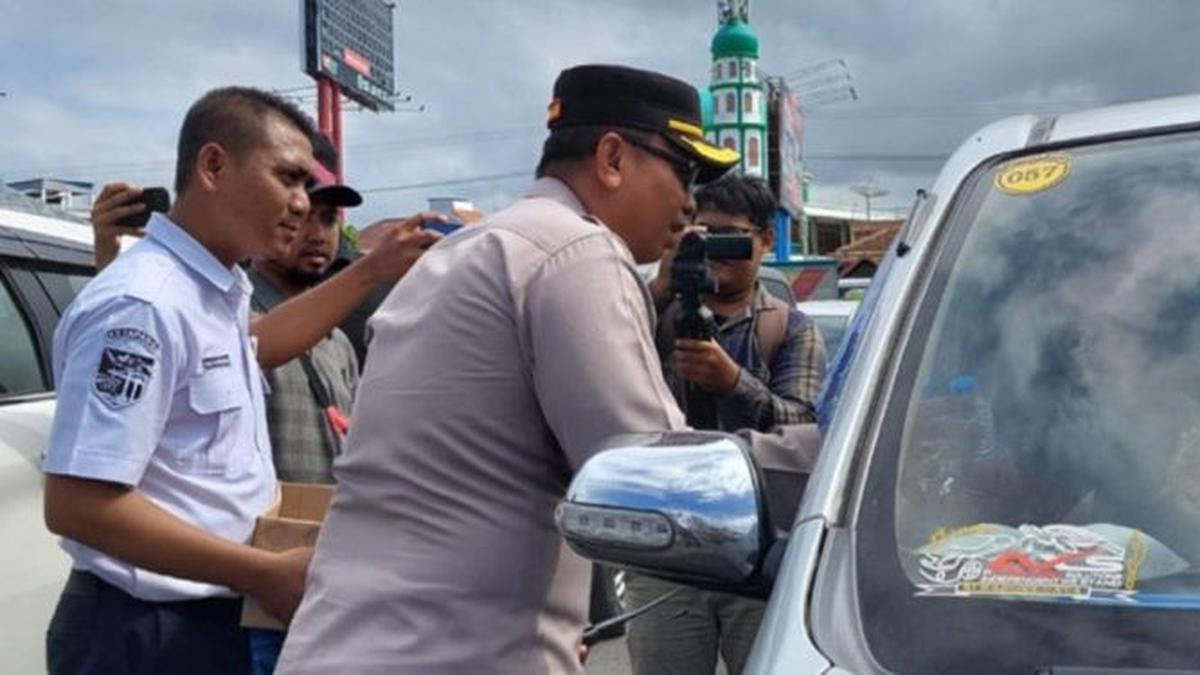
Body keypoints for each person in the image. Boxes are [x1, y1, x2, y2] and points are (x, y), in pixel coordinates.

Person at [274, 63, 741, 675]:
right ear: (611, 158)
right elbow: (662, 488)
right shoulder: (577, 253)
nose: (689, 202)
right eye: (684, 171)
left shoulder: (466, 251)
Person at [41, 86, 437, 675]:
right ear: (213, 165)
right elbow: (78, 505)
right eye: (289, 177)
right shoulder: (143, 302)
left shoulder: (212, 291)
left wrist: (372, 271)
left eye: (307, 186)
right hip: (144, 633)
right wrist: (262, 573)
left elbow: (262, 344)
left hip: (205, 622)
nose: (303, 204)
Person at [626, 174, 827, 675]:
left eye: (731, 235)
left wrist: (733, 381)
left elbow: (804, 425)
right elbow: (599, 366)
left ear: (764, 240)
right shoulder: (649, 315)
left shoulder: (792, 328)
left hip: (760, 550)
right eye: (703, 231)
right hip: (665, 545)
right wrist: (658, 289)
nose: (716, 247)